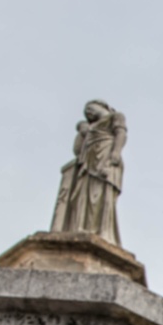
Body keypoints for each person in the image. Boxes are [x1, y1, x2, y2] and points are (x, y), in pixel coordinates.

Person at [51, 99, 126, 245]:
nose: (88, 112)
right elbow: (77, 151)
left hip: (106, 159)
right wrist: (81, 132)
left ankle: (102, 231)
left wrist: (116, 152)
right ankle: (80, 227)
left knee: (100, 196)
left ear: (102, 106)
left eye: (90, 108)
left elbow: (121, 134)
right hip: (87, 165)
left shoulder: (115, 116)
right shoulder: (89, 128)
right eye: (86, 112)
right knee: (80, 196)